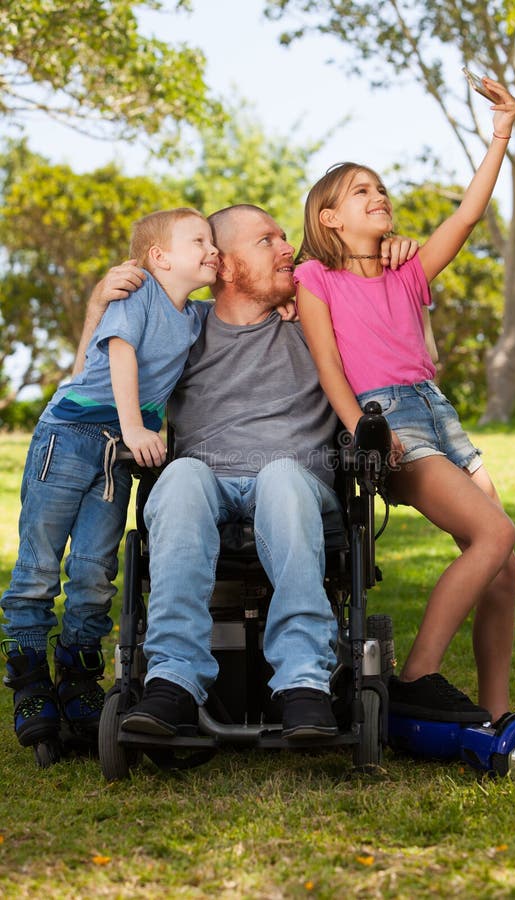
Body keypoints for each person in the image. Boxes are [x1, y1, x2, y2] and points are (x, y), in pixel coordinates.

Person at [77, 206, 417, 740]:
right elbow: (91, 379)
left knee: (281, 475)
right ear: (227, 267)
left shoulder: (314, 322)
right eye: (267, 240)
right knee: (181, 477)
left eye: (284, 237)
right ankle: (172, 680)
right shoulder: (182, 328)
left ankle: (304, 682)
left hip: (296, 483)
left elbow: (406, 337)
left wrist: (388, 256)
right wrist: (99, 304)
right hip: (205, 482)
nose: (288, 248)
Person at [293, 77, 515, 726]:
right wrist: (366, 431)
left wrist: (501, 132)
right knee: (494, 533)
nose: (379, 196)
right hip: (387, 421)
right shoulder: (316, 277)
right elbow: (328, 366)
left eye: (380, 188)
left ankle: (496, 713)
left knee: (504, 567)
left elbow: (467, 215)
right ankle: (416, 676)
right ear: (329, 218)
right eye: (360, 191)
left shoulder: (408, 270)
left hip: (438, 413)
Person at [1, 207, 218, 756]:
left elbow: (239, 313)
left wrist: (284, 302)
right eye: (200, 240)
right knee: (38, 566)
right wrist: (135, 425)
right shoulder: (137, 293)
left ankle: (78, 680)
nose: (213, 250)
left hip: (117, 454)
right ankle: (29, 683)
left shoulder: (195, 317)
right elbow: (120, 354)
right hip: (70, 436)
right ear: (159, 257)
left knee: (95, 571)